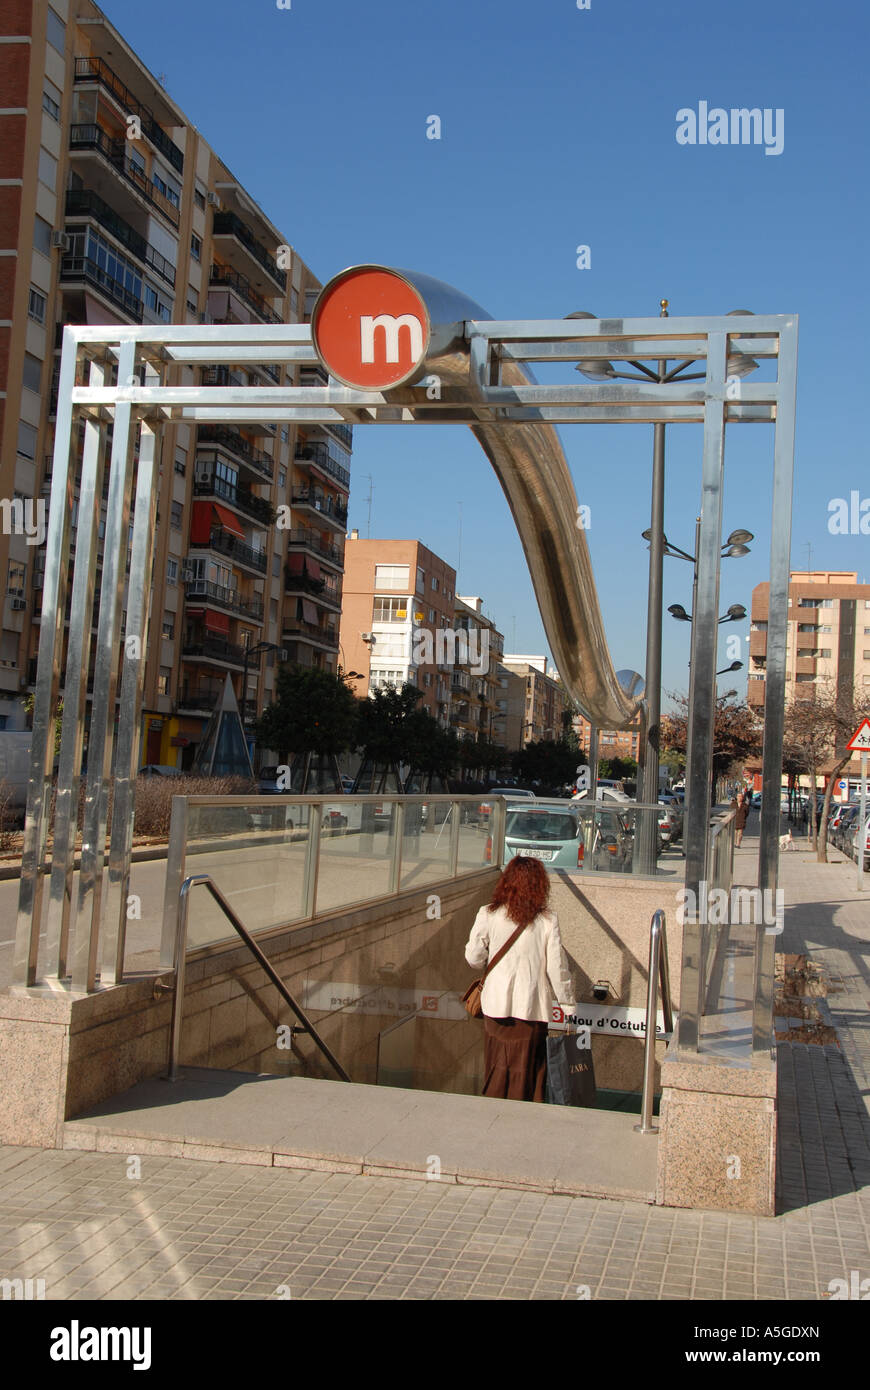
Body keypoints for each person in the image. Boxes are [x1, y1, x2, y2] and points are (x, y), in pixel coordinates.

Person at [464, 856, 574, 1103]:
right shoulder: (547, 920)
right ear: (539, 885)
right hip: (532, 1008)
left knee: (496, 1066)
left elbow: (473, 958)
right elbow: (557, 968)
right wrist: (567, 1005)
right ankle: (524, 1117)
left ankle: (493, 1112)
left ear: (506, 882)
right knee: (529, 1070)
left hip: (495, 1005)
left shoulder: (488, 913)